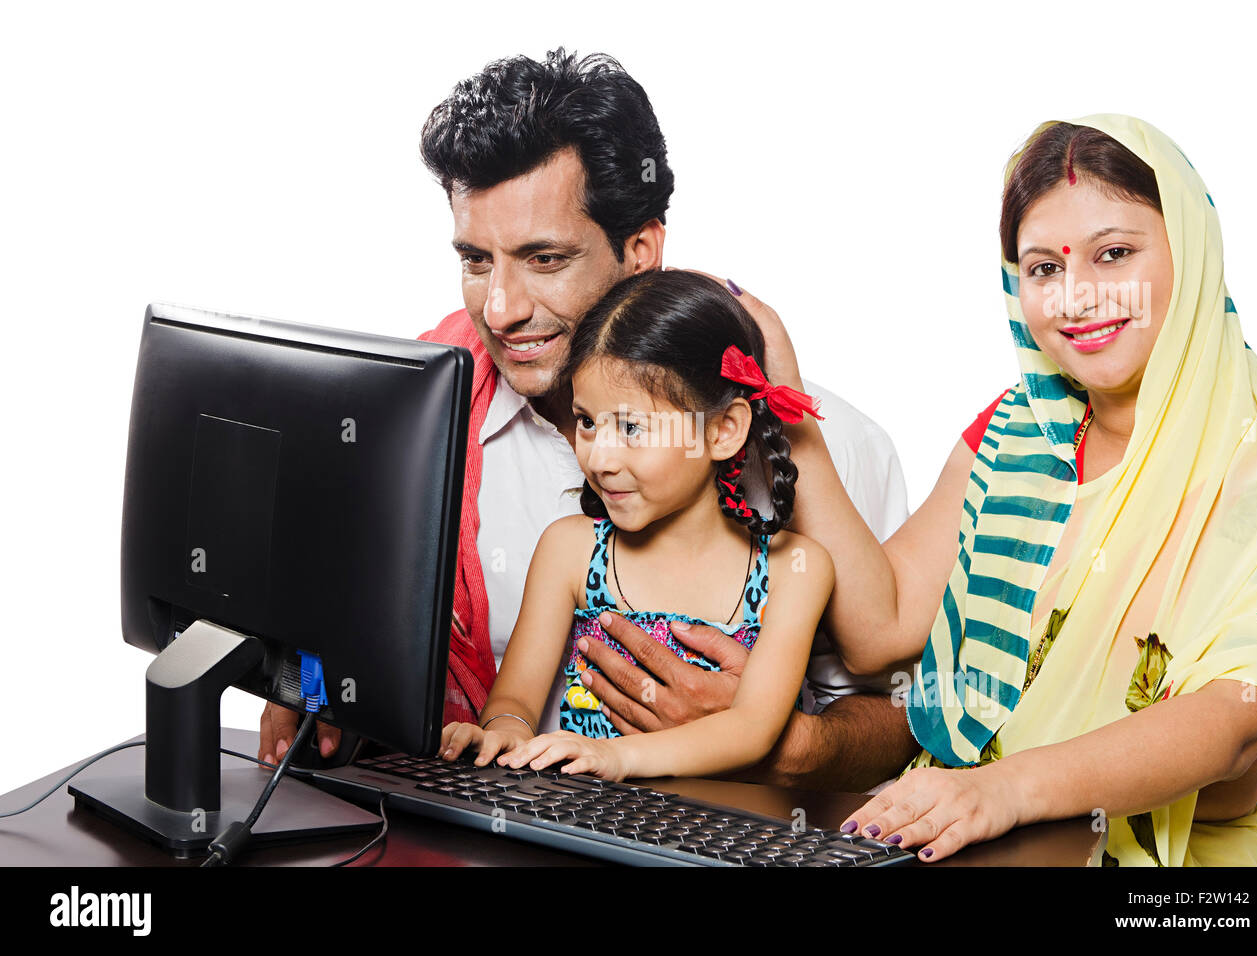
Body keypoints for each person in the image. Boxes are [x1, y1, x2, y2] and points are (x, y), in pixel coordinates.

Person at [259, 48, 917, 790]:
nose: (501, 310)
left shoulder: (825, 448)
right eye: (477, 260)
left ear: (640, 251)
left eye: (544, 260)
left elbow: (905, 719)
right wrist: (316, 690)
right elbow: (331, 616)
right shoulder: (418, 425)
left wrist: (775, 739)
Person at [762, 113, 1257, 864]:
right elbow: (880, 623)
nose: (1076, 299)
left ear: (1193, 250)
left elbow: (1232, 727)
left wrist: (1003, 790)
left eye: (1114, 255)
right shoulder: (1012, 430)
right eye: (1044, 268)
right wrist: (792, 410)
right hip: (935, 839)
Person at [439, 269, 834, 779]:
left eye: (630, 427)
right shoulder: (570, 551)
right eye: (586, 421)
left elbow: (753, 727)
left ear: (723, 430)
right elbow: (515, 697)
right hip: (588, 826)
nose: (599, 457)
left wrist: (618, 758)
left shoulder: (795, 570)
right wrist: (502, 735)